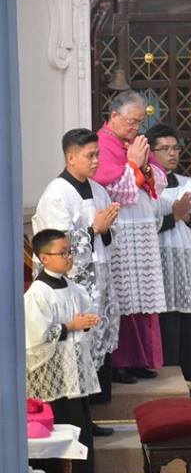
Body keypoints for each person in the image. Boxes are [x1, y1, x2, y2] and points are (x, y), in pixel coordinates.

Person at [32, 128, 120, 429]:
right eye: (89, 155)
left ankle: (90, 415)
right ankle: (80, 421)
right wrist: (95, 228)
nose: (96, 161)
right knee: (74, 350)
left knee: (93, 345)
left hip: (98, 279)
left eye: (98, 154)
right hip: (68, 288)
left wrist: (106, 228)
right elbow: (58, 248)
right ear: (71, 157)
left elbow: (106, 236)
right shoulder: (56, 194)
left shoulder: (98, 190)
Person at [90, 90, 167, 383]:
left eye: (139, 122)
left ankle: (140, 359)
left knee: (141, 293)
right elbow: (114, 189)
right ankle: (121, 361)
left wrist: (143, 165)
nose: (136, 129)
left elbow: (156, 180)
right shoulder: (102, 143)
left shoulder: (135, 143)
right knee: (123, 293)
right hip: (121, 229)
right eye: (131, 122)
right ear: (114, 117)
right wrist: (134, 164)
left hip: (142, 229)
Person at [25, 229, 102, 473]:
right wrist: (71, 325)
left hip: (74, 370)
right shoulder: (38, 293)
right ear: (44, 258)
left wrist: (88, 323)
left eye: (70, 251)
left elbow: (82, 316)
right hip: (52, 372)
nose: (69, 256)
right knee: (59, 422)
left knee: (77, 420)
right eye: (63, 252)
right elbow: (37, 336)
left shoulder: (70, 286)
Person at [145, 124, 191, 383]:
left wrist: (187, 216)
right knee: (165, 323)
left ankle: (187, 377)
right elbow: (145, 227)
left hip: (184, 264)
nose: (172, 153)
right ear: (150, 152)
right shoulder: (147, 188)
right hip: (158, 264)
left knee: (185, 321)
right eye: (165, 148)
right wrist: (174, 216)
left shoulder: (189, 184)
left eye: (175, 148)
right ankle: (167, 379)